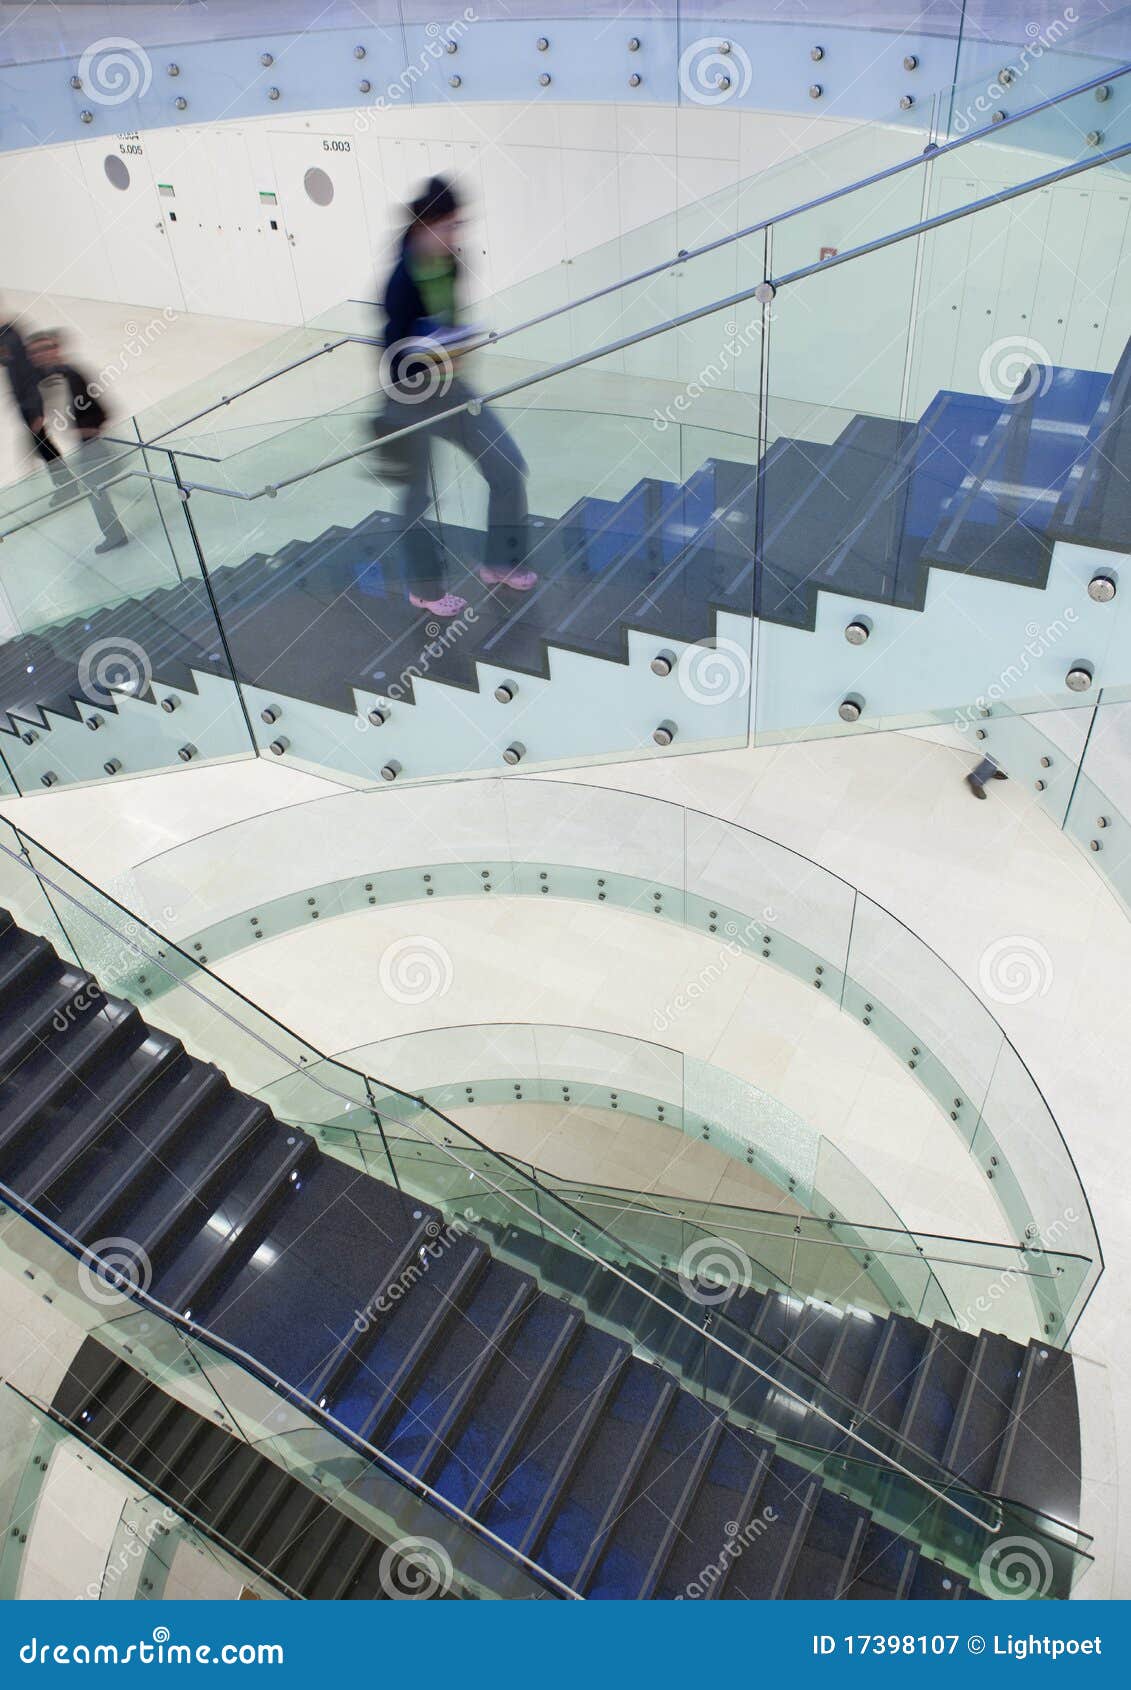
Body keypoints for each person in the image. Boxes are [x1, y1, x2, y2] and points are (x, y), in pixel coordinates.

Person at [379, 177, 537, 618]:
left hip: (450, 387)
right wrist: (436, 345)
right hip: (408, 396)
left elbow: (451, 318)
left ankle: (501, 561)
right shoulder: (399, 282)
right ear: (425, 226)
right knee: (415, 498)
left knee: (508, 467)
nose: (456, 235)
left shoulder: (452, 261)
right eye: (449, 226)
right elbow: (395, 353)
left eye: (458, 225)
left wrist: (456, 342)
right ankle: (424, 591)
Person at [25, 330, 128, 553]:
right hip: (87, 443)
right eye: (34, 352)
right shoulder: (51, 375)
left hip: (92, 442)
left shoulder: (71, 374)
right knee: (94, 487)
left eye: (44, 349)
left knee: (94, 489)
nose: (39, 355)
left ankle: (115, 535)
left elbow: (101, 409)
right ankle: (115, 533)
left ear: (56, 349)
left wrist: (83, 430)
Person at [0, 306, 77, 502]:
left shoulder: (12, 338)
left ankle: (68, 485)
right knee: (40, 444)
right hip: (23, 402)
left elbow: (28, 375)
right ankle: (67, 483)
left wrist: (35, 411)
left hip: (29, 404)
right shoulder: (6, 335)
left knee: (43, 445)